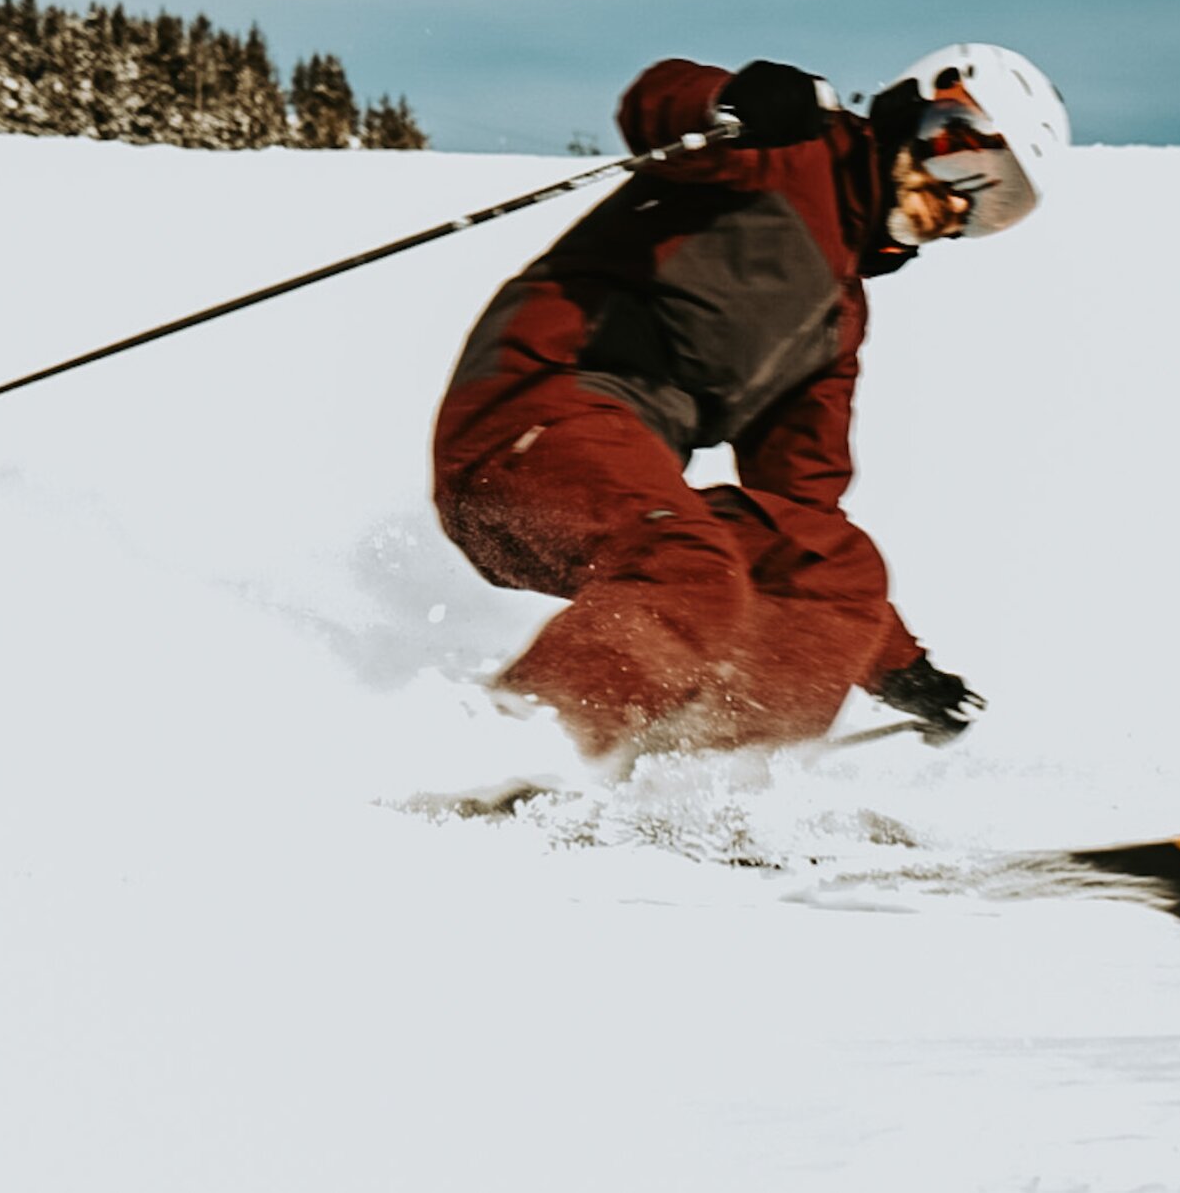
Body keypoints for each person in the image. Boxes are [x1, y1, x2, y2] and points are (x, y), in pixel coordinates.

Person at [431, 43, 1068, 765]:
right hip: (529, 415)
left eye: (995, 206)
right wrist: (732, 102)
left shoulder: (836, 321)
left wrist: (895, 665)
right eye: (958, 157)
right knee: (689, 561)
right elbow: (655, 104)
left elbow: (801, 512)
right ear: (908, 110)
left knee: (834, 565)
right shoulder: (792, 154)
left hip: (620, 487)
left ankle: (705, 770)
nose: (958, 203)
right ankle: (520, 745)